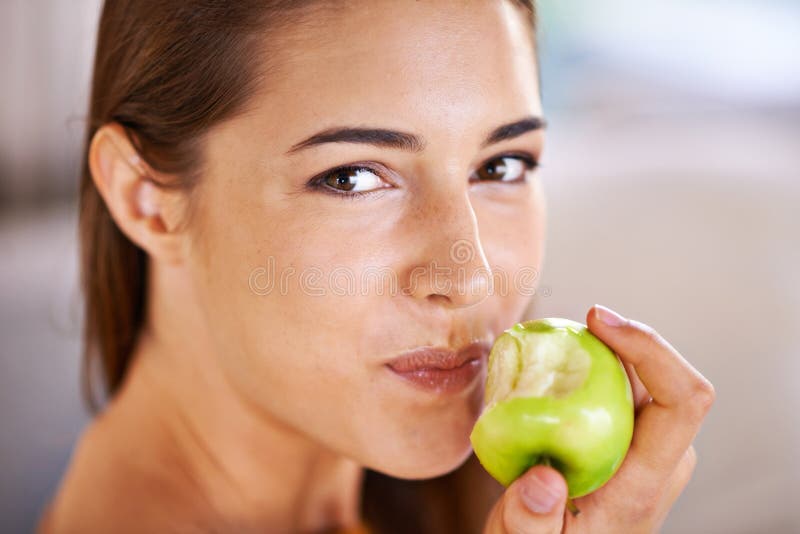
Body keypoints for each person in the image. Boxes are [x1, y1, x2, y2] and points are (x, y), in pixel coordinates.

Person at [37, 1, 715, 532]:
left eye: (501, 166)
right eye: (353, 177)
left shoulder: (434, 483)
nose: (469, 277)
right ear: (146, 201)